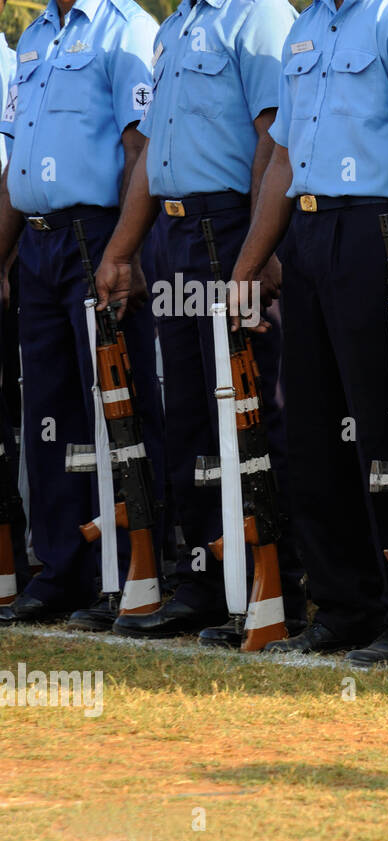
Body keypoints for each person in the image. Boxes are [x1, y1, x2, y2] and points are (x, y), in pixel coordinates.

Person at [225, 0, 388, 664]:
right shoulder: (305, 28)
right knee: (315, 430)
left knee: (384, 432)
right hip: (309, 233)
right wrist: (248, 263)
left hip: (374, 232)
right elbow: (282, 161)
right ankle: (341, 604)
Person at [92, 0, 305, 643]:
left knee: (250, 410)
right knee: (188, 412)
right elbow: (153, 152)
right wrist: (122, 251)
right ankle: (207, 578)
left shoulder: (260, 16)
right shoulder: (175, 28)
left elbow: (277, 139)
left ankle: (277, 581)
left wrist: (258, 250)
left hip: (232, 228)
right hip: (175, 233)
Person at [0, 0, 163, 629]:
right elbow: (15, 164)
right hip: (36, 242)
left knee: (116, 406)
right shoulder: (34, 37)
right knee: (49, 413)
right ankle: (61, 569)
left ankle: (127, 572)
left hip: (97, 236)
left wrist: (125, 250)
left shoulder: (128, 31)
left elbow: (139, 149)